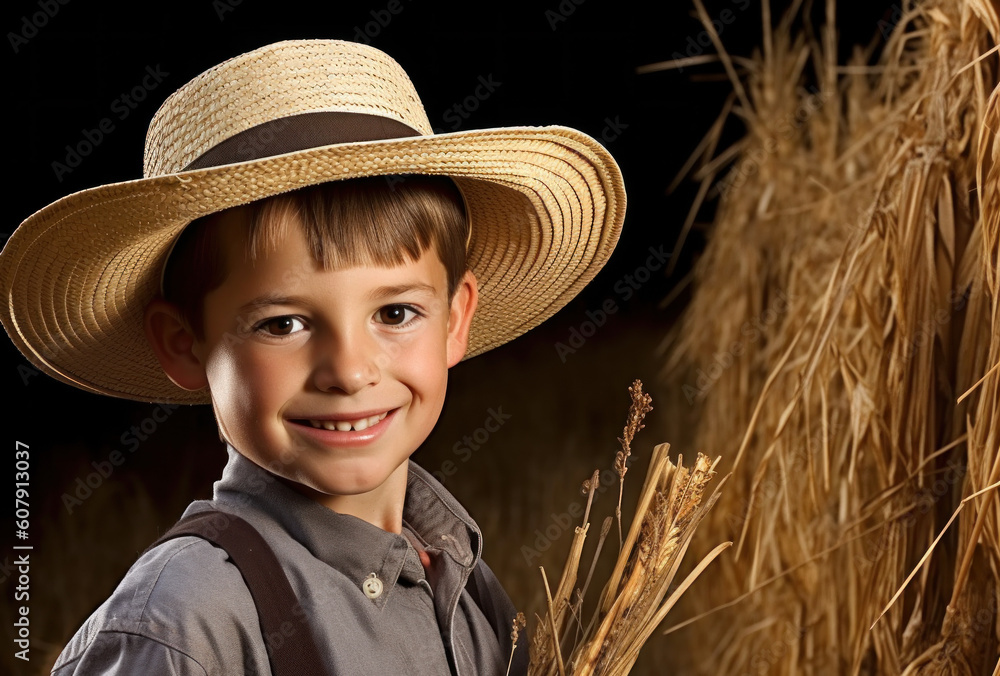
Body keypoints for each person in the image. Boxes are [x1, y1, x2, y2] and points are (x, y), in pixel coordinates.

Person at [0, 39, 626, 675]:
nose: (350, 372)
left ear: (455, 320)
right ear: (184, 344)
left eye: (395, 313)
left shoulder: (466, 591)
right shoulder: (184, 626)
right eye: (285, 323)